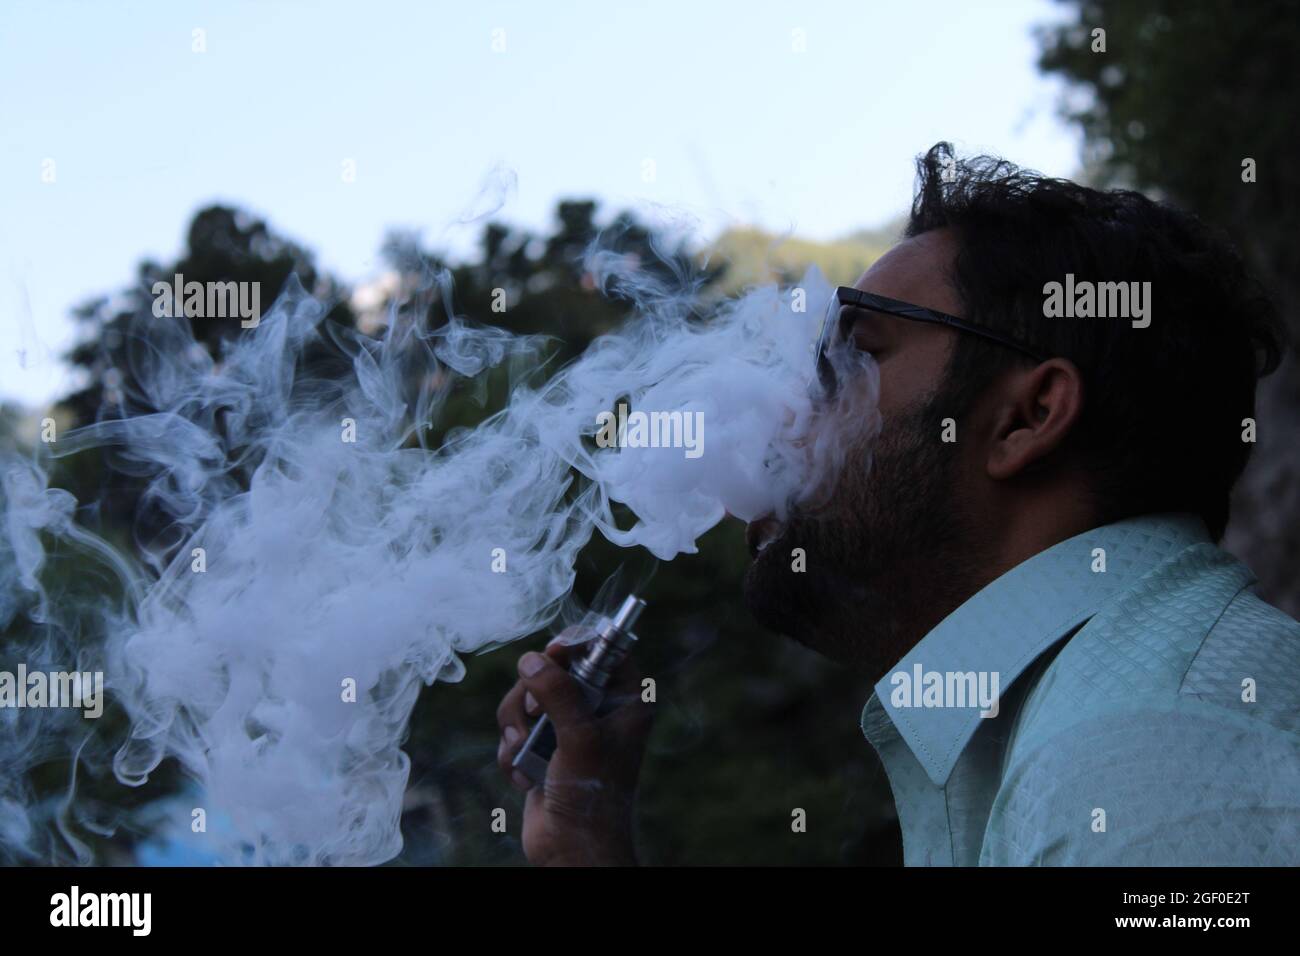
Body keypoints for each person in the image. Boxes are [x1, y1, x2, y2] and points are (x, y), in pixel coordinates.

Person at [496, 142, 1299, 866]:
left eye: (851, 356)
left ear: (1026, 419)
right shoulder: (1091, 733)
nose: (783, 413)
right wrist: (586, 850)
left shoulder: (1144, 769)